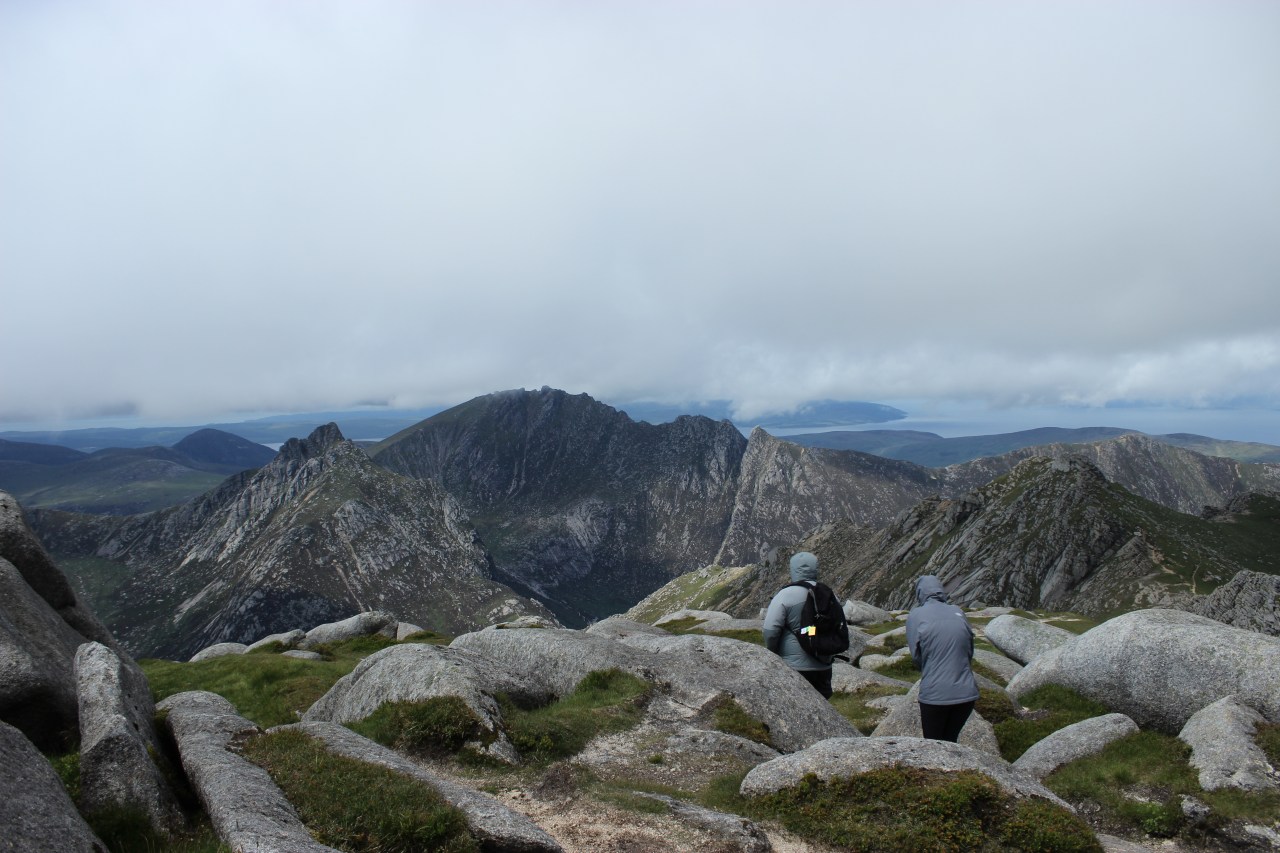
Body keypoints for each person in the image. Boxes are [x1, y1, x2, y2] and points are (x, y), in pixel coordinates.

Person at [906, 575, 979, 742]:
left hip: (935, 695)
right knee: (951, 740)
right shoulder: (958, 611)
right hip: (966, 694)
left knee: (933, 745)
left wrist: (930, 668)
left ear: (920, 592)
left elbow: (916, 655)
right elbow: (969, 651)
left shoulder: (916, 615)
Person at [763, 551, 833, 698]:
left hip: (793, 666)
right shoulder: (828, 594)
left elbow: (770, 630)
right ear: (815, 568)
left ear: (793, 569)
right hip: (824, 666)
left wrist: (772, 652)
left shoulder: (785, 595)